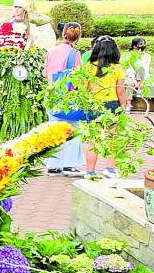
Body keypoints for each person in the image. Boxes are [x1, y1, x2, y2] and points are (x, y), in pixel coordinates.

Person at [43, 23, 86, 176]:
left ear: (63, 34)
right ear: (79, 36)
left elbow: (46, 73)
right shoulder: (75, 53)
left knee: (54, 129)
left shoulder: (52, 51)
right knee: (71, 130)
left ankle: (53, 165)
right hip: (68, 95)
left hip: (52, 93)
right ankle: (69, 165)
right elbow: (78, 77)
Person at [83, 36, 129, 179]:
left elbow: (83, 90)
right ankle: (111, 169)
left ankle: (90, 172)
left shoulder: (88, 67)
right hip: (112, 106)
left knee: (93, 141)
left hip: (94, 106)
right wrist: (124, 108)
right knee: (112, 139)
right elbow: (120, 91)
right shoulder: (117, 68)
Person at [124, 37, 151, 112]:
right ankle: (128, 104)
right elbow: (129, 70)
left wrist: (141, 81)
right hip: (131, 76)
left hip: (143, 77)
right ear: (134, 46)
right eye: (140, 44)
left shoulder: (147, 56)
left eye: (144, 44)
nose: (143, 46)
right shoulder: (130, 55)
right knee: (129, 84)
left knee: (141, 69)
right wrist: (135, 81)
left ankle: (140, 86)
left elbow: (145, 69)